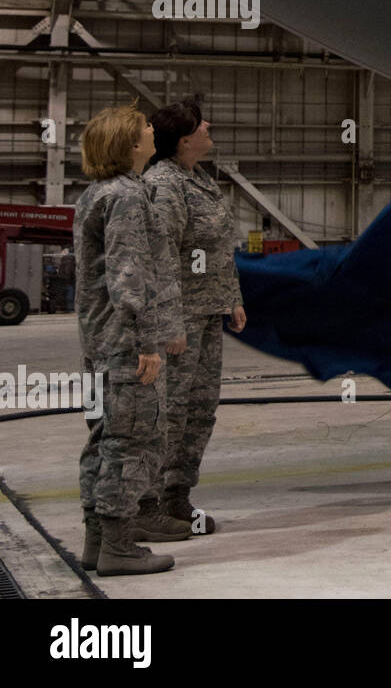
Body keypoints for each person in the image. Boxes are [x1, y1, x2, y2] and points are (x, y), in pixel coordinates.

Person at [74, 105, 186, 576]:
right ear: (129, 143)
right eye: (143, 127)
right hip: (126, 342)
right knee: (132, 441)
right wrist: (147, 341)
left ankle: (97, 541)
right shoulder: (126, 196)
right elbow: (128, 273)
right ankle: (118, 547)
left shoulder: (97, 193)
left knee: (105, 438)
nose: (150, 130)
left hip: (102, 340)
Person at [141, 100, 246, 535]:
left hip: (206, 311)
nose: (209, 125)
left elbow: (217, 247)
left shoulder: (198, 179)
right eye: (201, 123)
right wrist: (168, 321)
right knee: (168, 411)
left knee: (200, 409)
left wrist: (232, 297)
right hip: (179, 319)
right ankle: (147, 506)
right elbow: (160, 256)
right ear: (185, 139)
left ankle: (178, 496)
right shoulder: (165, 184)